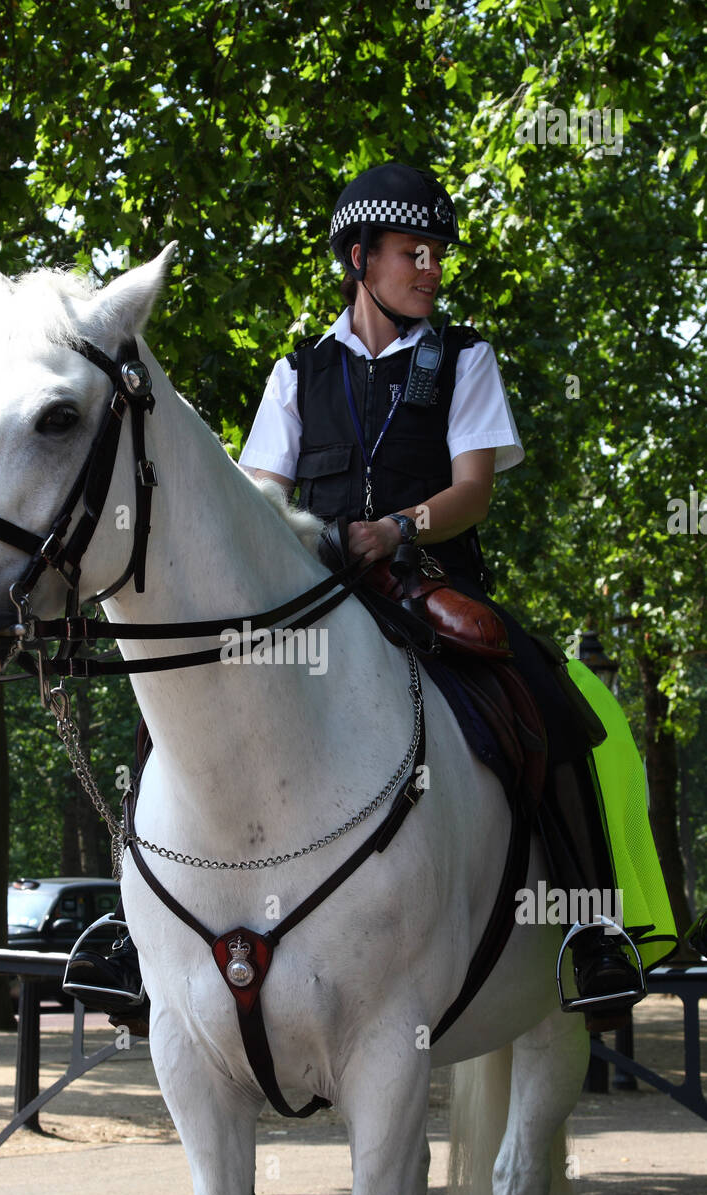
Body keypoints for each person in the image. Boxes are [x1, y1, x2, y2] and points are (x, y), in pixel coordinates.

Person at [237, 162, 649, 1013]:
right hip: (313, 604)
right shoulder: (296, 371)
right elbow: (262, 495)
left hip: (432, 590)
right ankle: (136, 930)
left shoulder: (466, 358)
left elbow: (474, 491)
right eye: (412, 252)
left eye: (437, 254)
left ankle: (590, 929)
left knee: (554, 703)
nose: (431, 268)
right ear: (359, 257)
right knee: (192, 679)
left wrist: (400, 528)